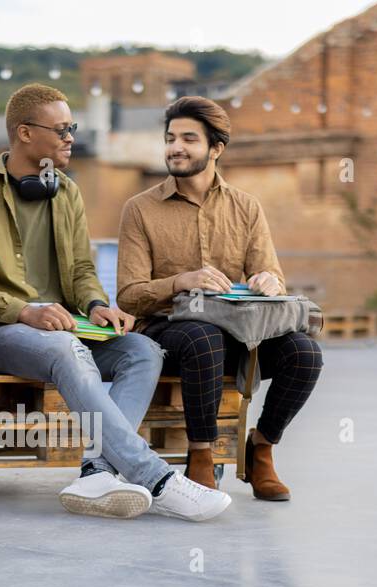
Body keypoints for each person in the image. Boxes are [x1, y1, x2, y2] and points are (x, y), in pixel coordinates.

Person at [0, 83, 231, 522]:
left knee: (142, 349)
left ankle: (97, 472)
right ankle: (157, 478)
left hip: (64, 326)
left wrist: (97, 304)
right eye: (61, 128)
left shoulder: (67, 193)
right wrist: (25, 311)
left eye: (71, 127)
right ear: (24, 133)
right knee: (66, 348)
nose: (70, 137)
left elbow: (81, 269)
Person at [117, 96, 323, 499]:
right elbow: (128, 296)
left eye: (189, 139)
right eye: (171, 137)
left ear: (216, 149)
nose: (176, 147)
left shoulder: (246, 207)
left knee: (305, 353)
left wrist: (269, 281)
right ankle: (201, 456)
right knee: (201, 336)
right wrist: (181, 281)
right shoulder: (140, 209)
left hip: (237, 332)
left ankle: (261, 447)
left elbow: (273, 275)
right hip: (169, 333)